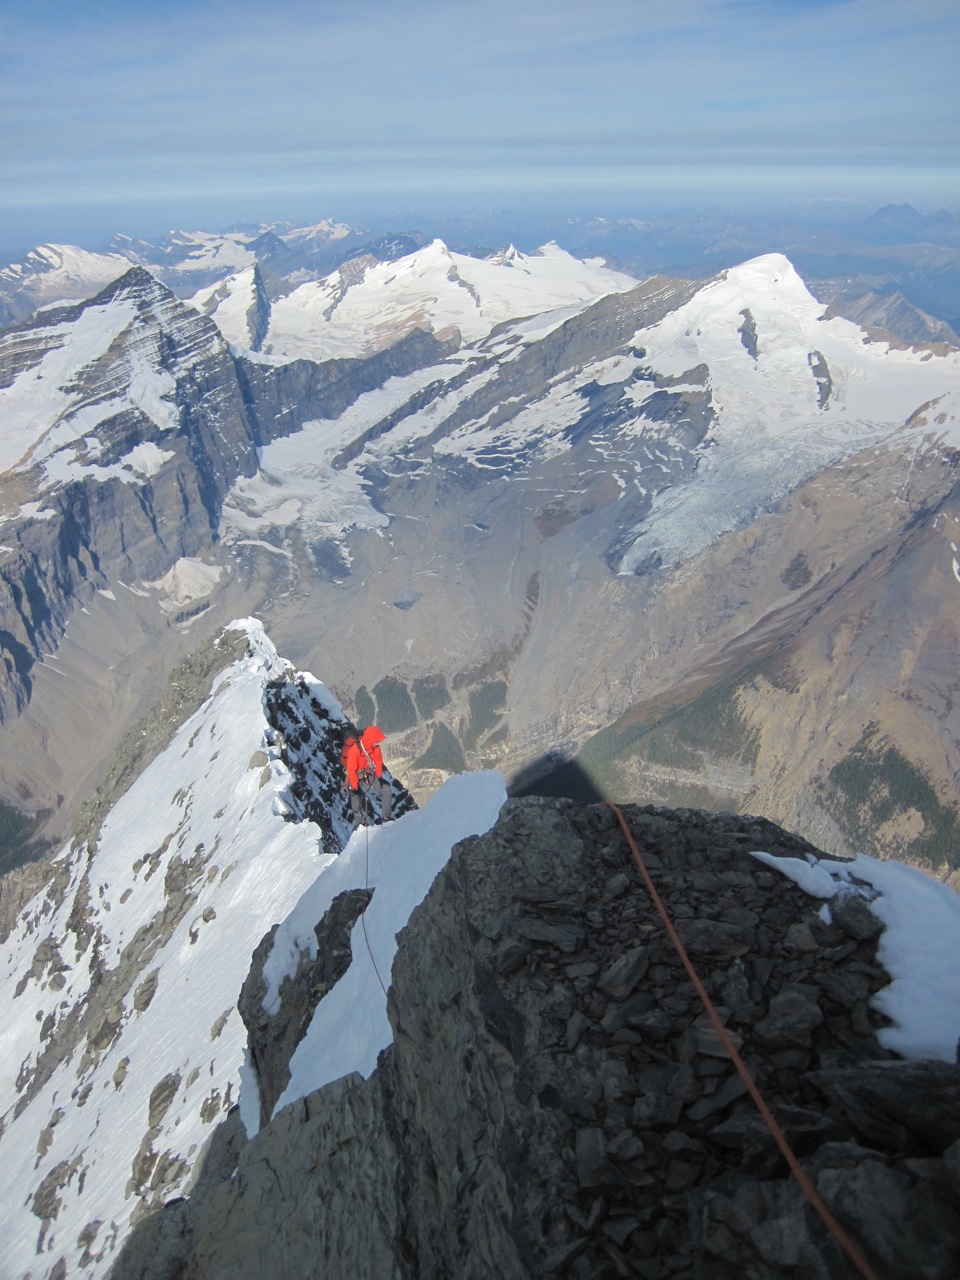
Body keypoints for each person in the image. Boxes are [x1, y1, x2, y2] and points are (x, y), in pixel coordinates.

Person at [341, 725, 393, 824]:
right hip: (356, 774)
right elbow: (351, 770)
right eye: (376, 741)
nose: (377, 743)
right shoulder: (354, 750)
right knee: (355, 797)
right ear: (370, 739)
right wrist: (355, 786)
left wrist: (379, 776)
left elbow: (378, 761)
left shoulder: (375, 747)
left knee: (386, 790)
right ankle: (360, 822)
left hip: (368, 772)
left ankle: (386, 817)